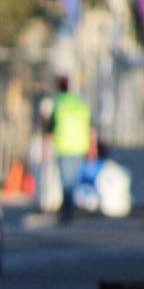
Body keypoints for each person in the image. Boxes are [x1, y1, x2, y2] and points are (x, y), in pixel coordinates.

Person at [49, 76, 92, 225]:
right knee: (72, 181)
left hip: (64, 147)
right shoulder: (80, 103)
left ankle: (67, 210)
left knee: (66, 182)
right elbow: (90, 125)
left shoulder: (59, 103)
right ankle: (69, 208)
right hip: (80, 146)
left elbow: (51, 126)